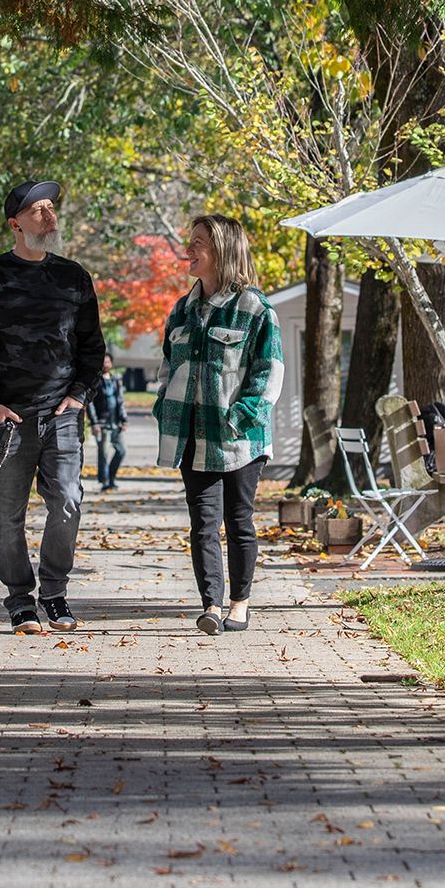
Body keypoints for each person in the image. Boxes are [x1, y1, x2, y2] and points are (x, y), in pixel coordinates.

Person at [0, 178, 105, 636]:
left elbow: (92, 350)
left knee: (67, 504)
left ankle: (54, 594)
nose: (50, 215)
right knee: (7, 515)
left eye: (51, 208)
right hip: (9, 422)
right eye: (39, 210)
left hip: (61, 417)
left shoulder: (73, 277)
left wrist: (78, 397)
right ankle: (21, 601)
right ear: (15, 224)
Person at [154, 214, 282, 635]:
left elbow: (269, 375)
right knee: (203, 523)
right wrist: (163, 408)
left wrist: (239, 417)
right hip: (192, 436)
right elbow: (167, 368)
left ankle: (239, 604)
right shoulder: (183, 309)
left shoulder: (256, 309)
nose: (187, 250)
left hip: (239, 439)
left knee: (239, 520)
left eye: (198, 243)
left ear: (223, 251)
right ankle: (211, 604)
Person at [90, 351, 129, 491]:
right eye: (103, 362)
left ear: (111, 363)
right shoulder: (95, 381)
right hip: (102, 424)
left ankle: (111, 477)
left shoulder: (115, 380)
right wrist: (94, 423)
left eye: (107, 361)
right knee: (104, 454)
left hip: (116, 423)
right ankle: (105, 481)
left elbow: (120, 401)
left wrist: (124, 420)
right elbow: (91, 405)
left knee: (121, 451)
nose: (105, 364)